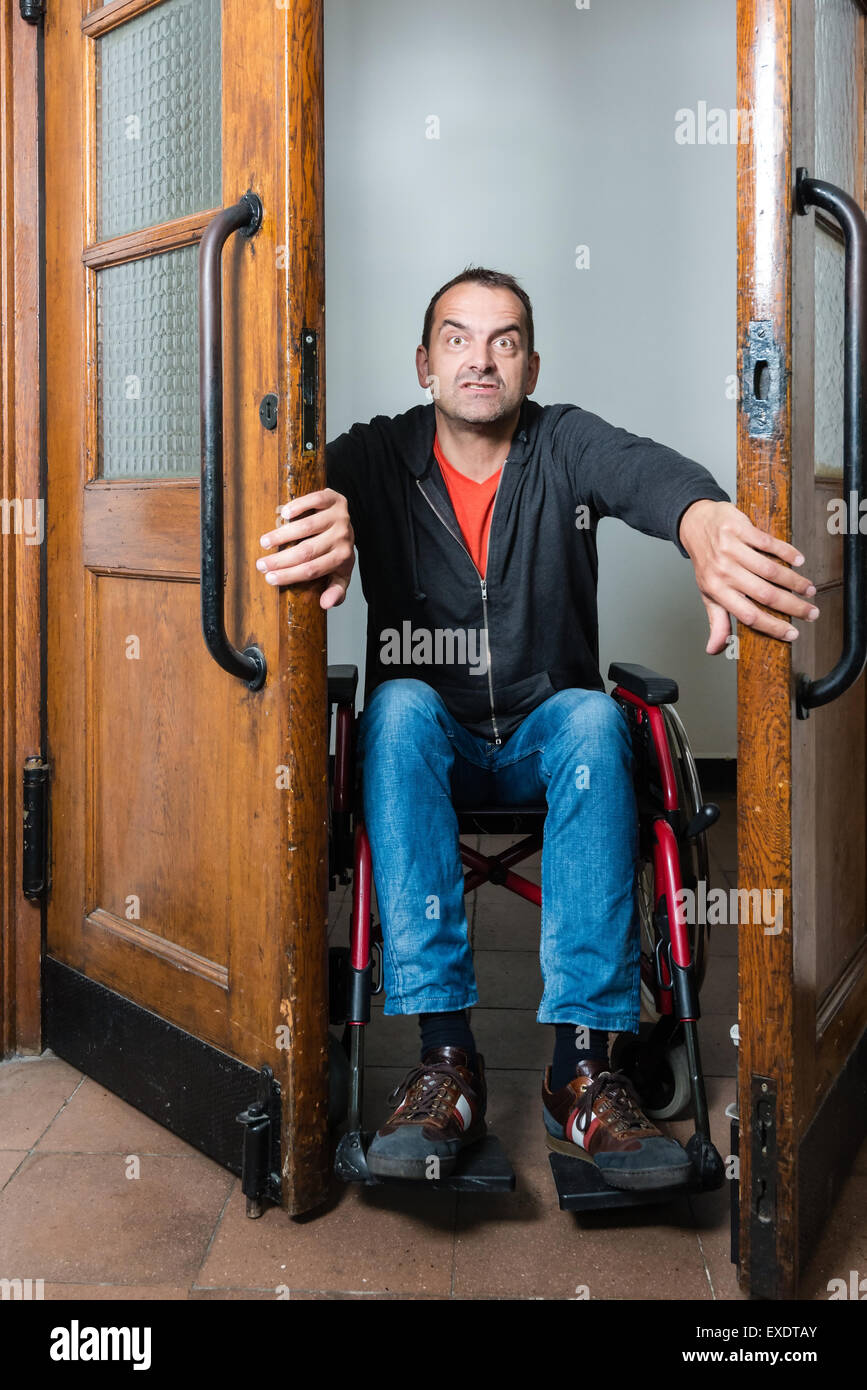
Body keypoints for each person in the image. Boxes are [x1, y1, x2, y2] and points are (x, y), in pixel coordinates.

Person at [256, 267, 818, 1191]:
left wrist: (705, 517)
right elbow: (283, 487)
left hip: (544, 744)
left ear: (530, 362)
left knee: (596, 715)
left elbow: (646, 473)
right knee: (392, 709)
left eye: (504, 340)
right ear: (424, 363)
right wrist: (313, 520)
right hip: (425, 745)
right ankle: (445, 1061)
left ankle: (583, 1069)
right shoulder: (372, 458)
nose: (480, 359)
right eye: (457, 338)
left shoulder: (562, 444)